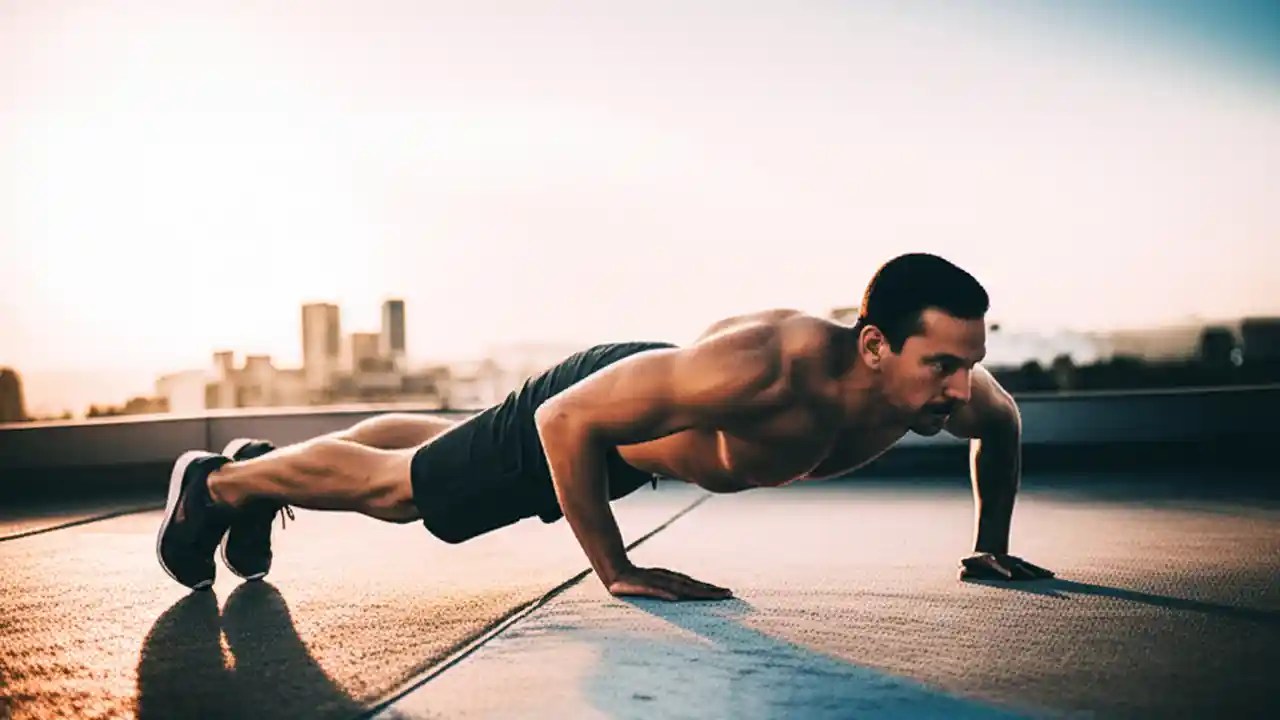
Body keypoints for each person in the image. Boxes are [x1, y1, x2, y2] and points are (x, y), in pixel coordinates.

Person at [156, 252, 1053, 600]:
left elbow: (1003, 426)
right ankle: (219, 486)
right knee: (407, 495)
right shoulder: (766, 363)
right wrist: (617, 570)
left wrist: (991, 545)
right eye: (941, 364)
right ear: (872, 347)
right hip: (591, 408)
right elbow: (561, 419)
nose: (959, 386)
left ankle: (266, 467)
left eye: (969, 360)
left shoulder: (952, 393)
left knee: (439, 444)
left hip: (640, 440)